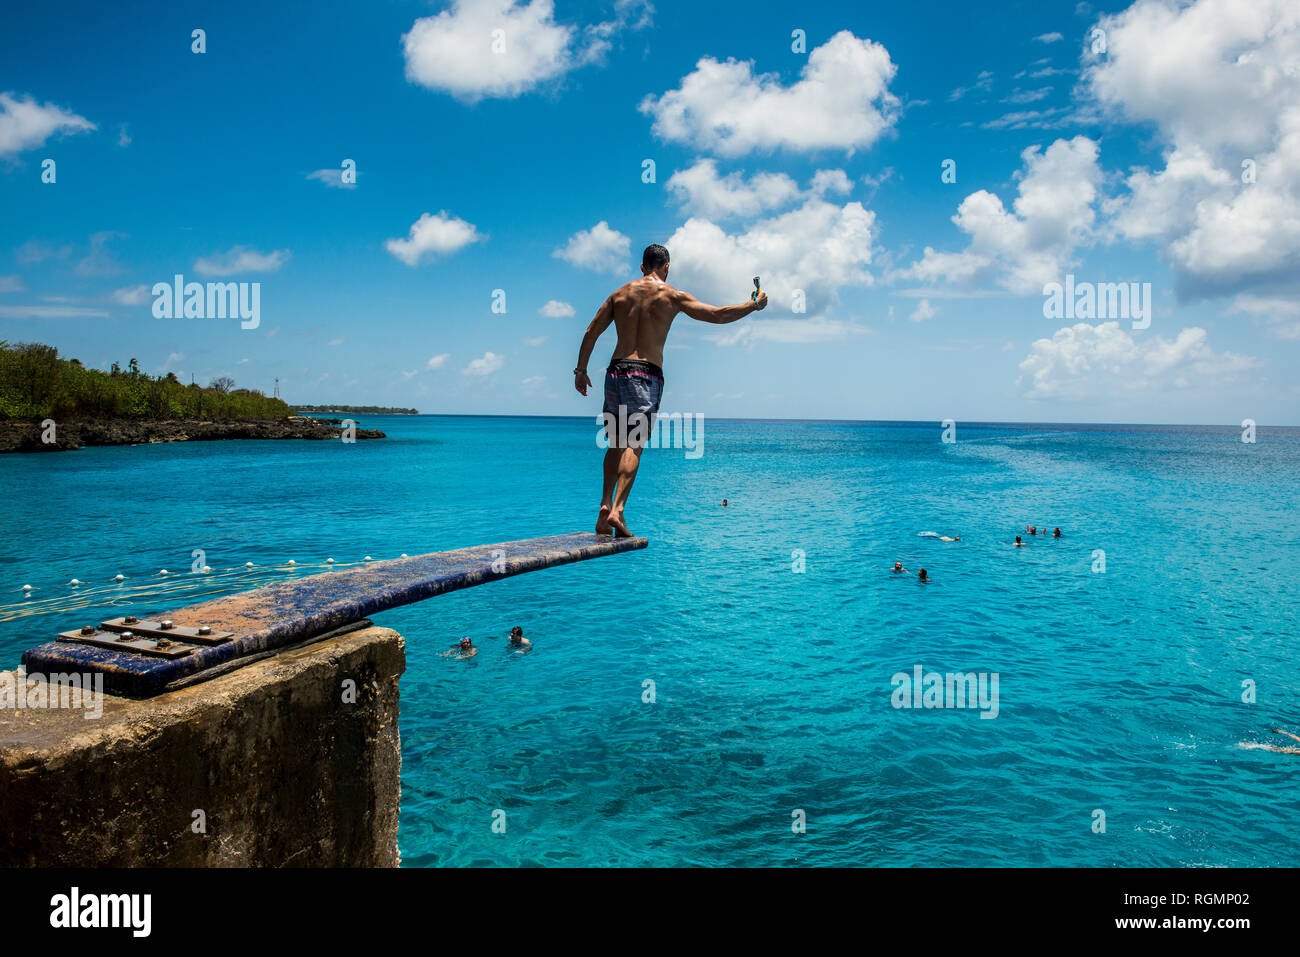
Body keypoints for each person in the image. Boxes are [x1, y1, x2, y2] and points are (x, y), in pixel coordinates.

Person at [575, 244, 767, 537]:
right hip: (645, 373)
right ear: (666, 267)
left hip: (615, 372)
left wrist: (581, 370)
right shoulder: (671, 295)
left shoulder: (619, 295)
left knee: (615, 440)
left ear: (642, 266)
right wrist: (752, 304)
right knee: (634, 444)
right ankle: (618, 510)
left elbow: (591, 332)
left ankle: (603, 506)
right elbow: (717, 315)